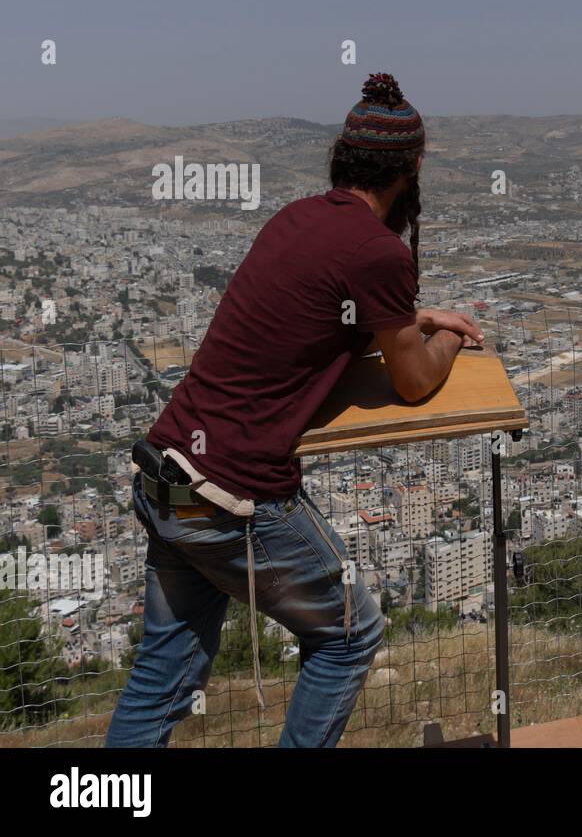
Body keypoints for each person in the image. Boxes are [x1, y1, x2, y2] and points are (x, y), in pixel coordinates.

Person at [107, 74, 484, 746]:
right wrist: (450, 335)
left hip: (167, 476)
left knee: (161, 677)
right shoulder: (379, 251)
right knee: (349, 634)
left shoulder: (297, 217)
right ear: (413, 167)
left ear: (342, 156)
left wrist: (409, 314)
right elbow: (417, 380)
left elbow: (316, 305)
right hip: (233, 496)